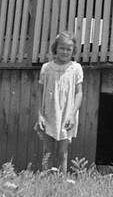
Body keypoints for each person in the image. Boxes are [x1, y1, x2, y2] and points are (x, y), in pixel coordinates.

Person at [34, 32, 83, 175]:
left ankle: (61, 181)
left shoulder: (75, 68)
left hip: (66, 114)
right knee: (47, 151)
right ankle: (45, 178)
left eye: (69, 49)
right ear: (55, 48)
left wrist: (72, 115)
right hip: (49, 112)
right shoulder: (46, 68)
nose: (65, 52)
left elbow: (79, 93)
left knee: (63, 152)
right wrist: (40, 115)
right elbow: (39, 93)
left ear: (73, 51)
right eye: (62, 48)